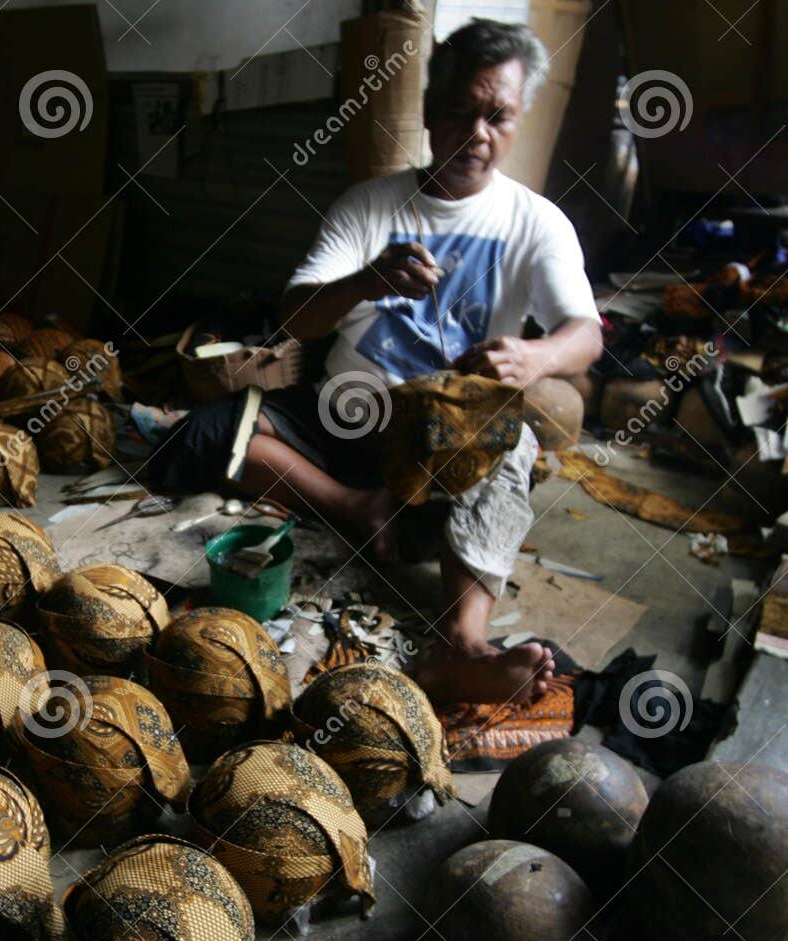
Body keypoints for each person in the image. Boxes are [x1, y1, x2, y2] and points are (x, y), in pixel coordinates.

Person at [157, 18, 602, 707]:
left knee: (510, 442)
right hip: (346, 416)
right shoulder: (370, 205)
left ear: (517, 122)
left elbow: (586, 334)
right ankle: (358, 507)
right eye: (460, 111)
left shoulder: (536, 223)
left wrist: (536, 354)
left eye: (498, 116)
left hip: (443, 442)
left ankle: (462, 645)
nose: (477, 134)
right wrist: (367, 280)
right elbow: (294, 315)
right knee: (209, 431)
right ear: (430, 112)